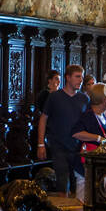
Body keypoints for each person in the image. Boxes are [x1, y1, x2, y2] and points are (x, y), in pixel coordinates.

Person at [37, 64, 88, 194]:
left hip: (78, 146)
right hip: (58, 144)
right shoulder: (55, 97)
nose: (80, 80)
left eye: (82, 77)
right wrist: (41, 144)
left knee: (77, 183)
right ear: (68, 78)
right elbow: (43, 119)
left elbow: (88, 123)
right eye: (77, 77)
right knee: (62, 181)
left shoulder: (84, 99)